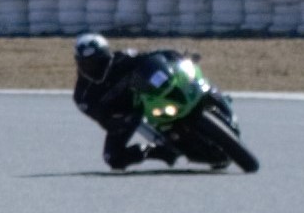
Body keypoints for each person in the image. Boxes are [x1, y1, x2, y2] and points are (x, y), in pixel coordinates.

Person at [68, 33, 212, 169]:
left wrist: (176, 57)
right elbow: (102, 119)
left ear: (107, 55)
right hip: (126, 114)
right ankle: (160, 151)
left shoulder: (123, 58)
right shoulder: (83, 95)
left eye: (98, 61)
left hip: (149, 96)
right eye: (87, 64)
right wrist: (120, 120)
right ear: (78, 63)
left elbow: (153, 57)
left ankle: (211, 97)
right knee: (112, 158)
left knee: (190, 75)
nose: (93, 67)